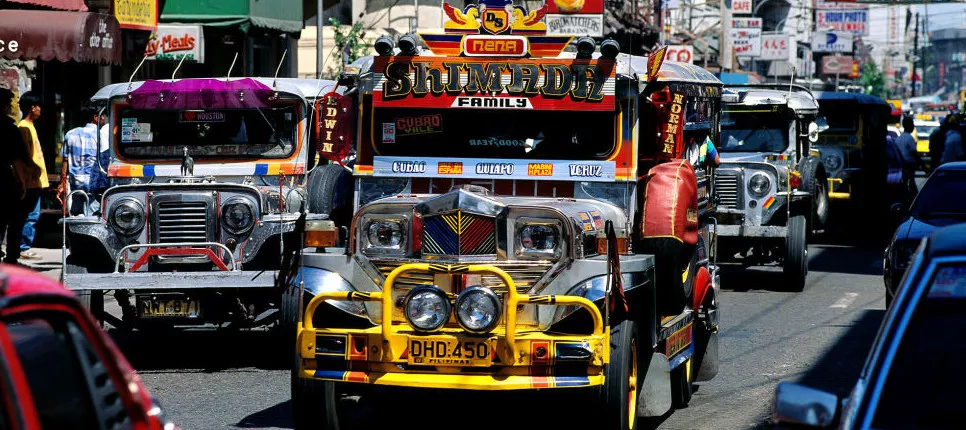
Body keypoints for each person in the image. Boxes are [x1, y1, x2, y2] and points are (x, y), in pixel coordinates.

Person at [0, 88, 32, 265]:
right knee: (13, 220)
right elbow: (17, 159)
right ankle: (11, 256)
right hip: (4, 179)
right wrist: (22, 181)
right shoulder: (9, 128)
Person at [59, 103, 109, 215]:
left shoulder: (70, 134)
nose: (103, 119)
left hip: (75, 183)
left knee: (76, 215)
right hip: (94, 184)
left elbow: (65, 161)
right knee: (92, 216)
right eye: (102, 116)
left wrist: (62, 182)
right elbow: (104, 160)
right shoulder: (100, 135)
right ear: (95, 117)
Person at [16, 92, 48, 260]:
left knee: (31, 214)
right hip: (29, 181)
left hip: (34, 180)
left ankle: (23, 246)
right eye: (38, 106)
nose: (40, 110)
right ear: (32, 108)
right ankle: (23, 246)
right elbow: (24, 156)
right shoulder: (24, 127)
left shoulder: (30, 126)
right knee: (30, 215)